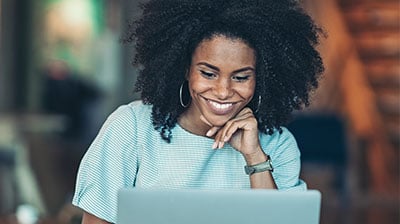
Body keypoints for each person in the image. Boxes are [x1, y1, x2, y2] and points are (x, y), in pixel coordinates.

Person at [72, 0, 324, 223]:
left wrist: (255, 156)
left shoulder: (277, 145)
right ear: (186, 70)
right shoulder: (131, 128)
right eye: (208, 73)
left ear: (261, 79)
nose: (223, 91)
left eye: (241, 77)